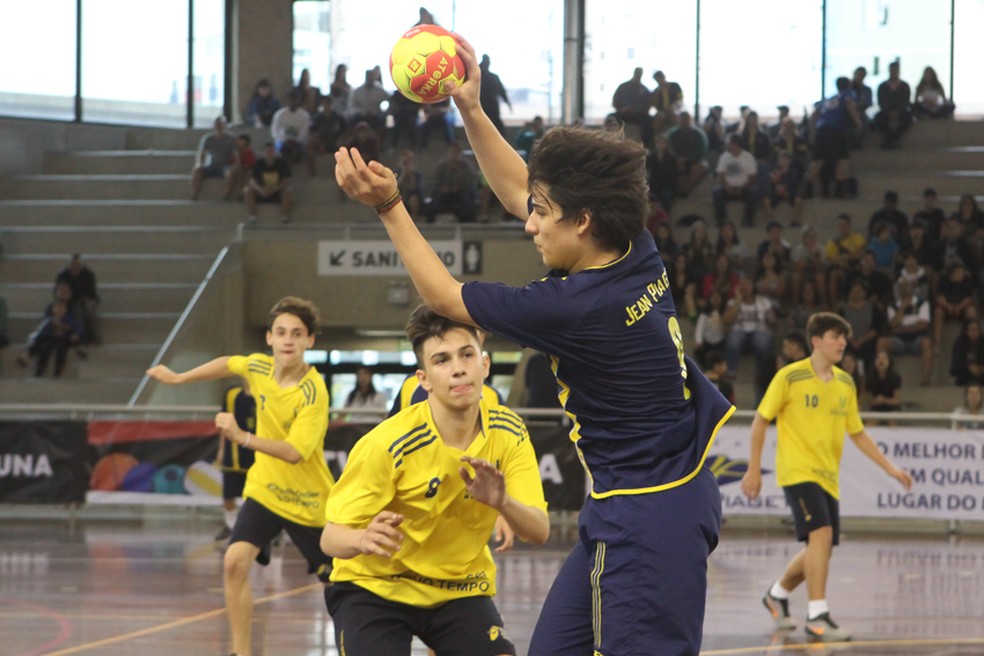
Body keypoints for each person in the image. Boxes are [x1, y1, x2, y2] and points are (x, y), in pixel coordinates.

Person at [333, 32, 735, 655]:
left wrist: (389, 204)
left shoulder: (574, 307)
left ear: (582, 221)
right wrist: (470, 106)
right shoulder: (634, 249)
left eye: (543, 213)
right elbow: (523, 189)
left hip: (652, 517)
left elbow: (444, 298)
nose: (528, 222)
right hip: (634, 501)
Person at [320, 305, 549, 656]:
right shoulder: (386, 444)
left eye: (467, 355)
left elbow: (539, 531)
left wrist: (503, 502)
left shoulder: (509, 432)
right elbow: (330, 539)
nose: (458, 368)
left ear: (484, 365)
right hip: (375, 588)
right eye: (441, 360)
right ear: (423, 378)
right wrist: (362, 537)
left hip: (459, 590)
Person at [146, 296, 334, 656]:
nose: (288, 340)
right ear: (269, 338)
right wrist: (179, 377)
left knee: (342, 586)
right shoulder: (260, 368)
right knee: (234, 563)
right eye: (281, 333)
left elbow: (295, 452)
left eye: (297, 333)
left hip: (310, 501)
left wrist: (242, 437)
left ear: (310, 341)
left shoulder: (314, 392)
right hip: (265, 490)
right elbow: (228, 364)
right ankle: (242, 652)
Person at [741, 312, 912, 642]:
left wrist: (890, 468)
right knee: (819, 534)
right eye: (836, 337)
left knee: (820, 549)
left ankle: (776, 594)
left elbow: (857, 433)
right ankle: (818, 615)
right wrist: (753, 469)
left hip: (828, 476)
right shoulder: (790, 377)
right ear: (816, 340)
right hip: (797, 471)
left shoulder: (846, 383)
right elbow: (760, 421)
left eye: (845, 338)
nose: (843, 343)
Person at [215, 379, 257, 543]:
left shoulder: (267, 394)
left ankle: (259, 530)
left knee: (257, 494)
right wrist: (221, 449)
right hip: (234, 452)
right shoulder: (232, 394)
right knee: (229, 492)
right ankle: (230, 524)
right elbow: (224, 425)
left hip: (258, 452)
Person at [18, 300, 81, 377]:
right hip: (51, 339)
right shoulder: (49, 320)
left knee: (61, 350)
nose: (59, 310)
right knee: (45, 346)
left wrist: (76, 334)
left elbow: (78, 328)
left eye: (62, 308)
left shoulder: (69, 319)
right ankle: (39, 368)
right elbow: (42, 331)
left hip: (64, 340)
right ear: (53, 310)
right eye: (57, 308)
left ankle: (57, 370)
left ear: (65, 310)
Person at [423, 142, 478, 223]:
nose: (453, 154)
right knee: (435, 196)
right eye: (452, 151)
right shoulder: (442, 166)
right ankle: (430, 220)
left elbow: (469, 180)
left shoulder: (466, 166)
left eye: (456, 151)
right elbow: (437, 180)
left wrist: (457, 187)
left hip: (461, 191)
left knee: (467, 197)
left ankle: (469, 221)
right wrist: (442, 187)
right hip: (444, 191)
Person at [712, 134, 758, 227]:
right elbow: (721, 174)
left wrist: (742, 187)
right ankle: (721, 219)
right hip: (728, 188)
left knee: (753, 192)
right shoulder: (724, 157)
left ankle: (748, 219)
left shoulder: (748, 157)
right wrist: (726, 186)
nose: (730, 147)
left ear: (738, 145)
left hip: (744, 188)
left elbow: (753, 176)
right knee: (717, 191)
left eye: (732, 144)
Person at [191, 115, 240, 201]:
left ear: (225, 125)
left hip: (225, 166)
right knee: (197, 170)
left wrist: (236, 165)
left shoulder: (231, 139)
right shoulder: (208, 138)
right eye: (217, 124)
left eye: (220, 124)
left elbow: (236, 154)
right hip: (211, 165)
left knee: (230, 173)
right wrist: (198, 163)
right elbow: (202, 153)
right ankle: (195, 194)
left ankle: (225, 195)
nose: (218, 126)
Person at [55, 253, 100, 346]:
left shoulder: (88, 275)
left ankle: (91, 337)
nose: (75, 267)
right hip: (70, 300)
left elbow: (92, 292)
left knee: (88, 308)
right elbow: (58, 291)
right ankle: (81, 337)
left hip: (86, 299)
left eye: (77, 265)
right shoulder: (63, 275)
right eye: (73, 265)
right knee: (77, 309)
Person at [245, 142, 293, 224]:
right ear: (263, 153)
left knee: (287, 192)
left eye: (272, 151)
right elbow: (252, 180)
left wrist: (274, 189)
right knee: (248, 191)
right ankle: (252, 216)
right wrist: (261, 190)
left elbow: (286, 180)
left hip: (277, 190)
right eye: (267, 151)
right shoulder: (258, 163)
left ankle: (285, 217)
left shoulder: (282, 163)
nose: (270, 153)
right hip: (261, 191)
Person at [306, 95, 348, 176]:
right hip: (322, 142)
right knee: (309, 145)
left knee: (345, 145)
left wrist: (341, 139)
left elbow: (346, 131)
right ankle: (311, 171)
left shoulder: (338, 117)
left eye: (328, 103)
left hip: (336, 141)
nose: (326, 106)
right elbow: (312, 132)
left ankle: (344, 172)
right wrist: (318, 142)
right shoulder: (317, 118)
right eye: (324, 104)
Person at [874, 61, 912, 149]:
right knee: (878, 118)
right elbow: (881, 101)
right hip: (886, 111)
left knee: (908, 118)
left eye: (895, 70)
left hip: (901, 111)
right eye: (892, 70)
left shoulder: (905, 86)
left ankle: (891, 139)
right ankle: (893, 139)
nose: (893, 72)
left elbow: (906, 101)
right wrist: (888, 111)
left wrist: (898, 111)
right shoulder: (882, 86)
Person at [611, 67, 652, 146]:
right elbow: (615, 102)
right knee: (611, 118)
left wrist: (639, 110)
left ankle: (646, 145)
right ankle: (612, 142)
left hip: (638, 115)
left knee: (648, 120)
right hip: (623, 114)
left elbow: (648, 105)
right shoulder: (623, 87)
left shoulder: (644, 89)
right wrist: (622, 109)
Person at [270, 90, 311, 165]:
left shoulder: (304, 115)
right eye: (290, 100)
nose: (292, 102)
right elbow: (275, 131)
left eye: (294, 100)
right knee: (280, 148)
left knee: (299, 149)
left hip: (298, 142)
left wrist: (296, 141)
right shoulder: (279, 114)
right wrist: (284, 140)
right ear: (287, 101)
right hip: (283, 141)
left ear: (298, 100)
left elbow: (305, 132)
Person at [479, 54, 512, 137]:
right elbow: (502, 92)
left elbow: (502, 91)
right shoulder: (479, 77)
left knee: (496, 127)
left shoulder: (493, 77)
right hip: (482, 106)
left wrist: (508, 103)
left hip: (491, 106)